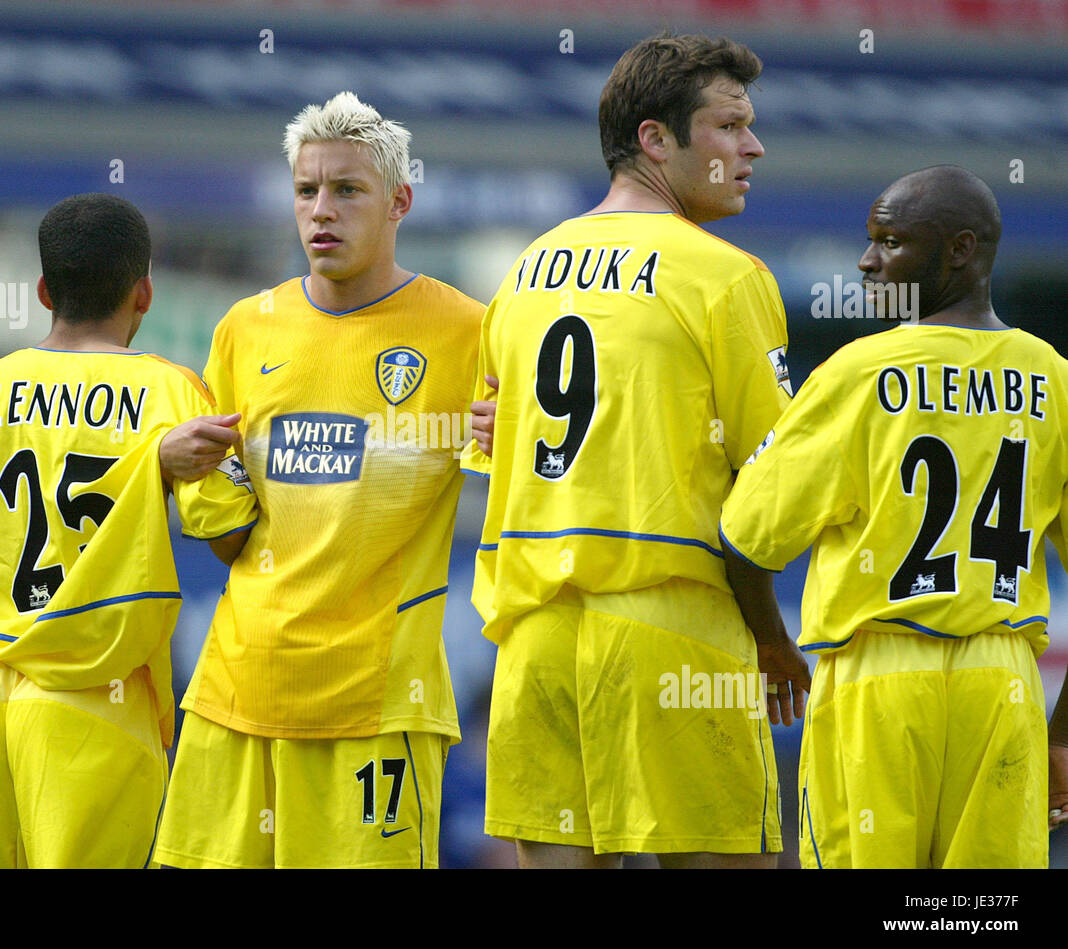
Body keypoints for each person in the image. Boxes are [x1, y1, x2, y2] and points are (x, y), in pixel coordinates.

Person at [462, 33, 808, 869]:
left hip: (534, 639)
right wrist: (769, 634)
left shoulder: (523, 273)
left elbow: (491, 445)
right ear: (657, 139)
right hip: (670, 625)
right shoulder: (725, 277)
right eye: (729, 126)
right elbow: (766, 497)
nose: (751, 146)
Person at [152, 91, 483, 869]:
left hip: (377, 711)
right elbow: (227, 528)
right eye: (307, 191)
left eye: (347, 190)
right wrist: (179, 470)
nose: (321, 211)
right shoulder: (244, 327)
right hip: (236, 698)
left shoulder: (468, 331)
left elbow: (524, 475)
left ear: (399, 200)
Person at [0, 193, 256, 867]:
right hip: (96, 707)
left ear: (43, 290)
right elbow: (229, 539)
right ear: (144, 293)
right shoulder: (174, 391)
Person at [720, 166, 1068, 868]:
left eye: (890, 241)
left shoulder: (858, 372)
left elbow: (745, 541)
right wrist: (1061, 736)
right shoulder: (1053, 375)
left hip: (878, 678)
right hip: (1001, 686)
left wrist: (773, 645)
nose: (867, 260)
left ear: (961, 250)